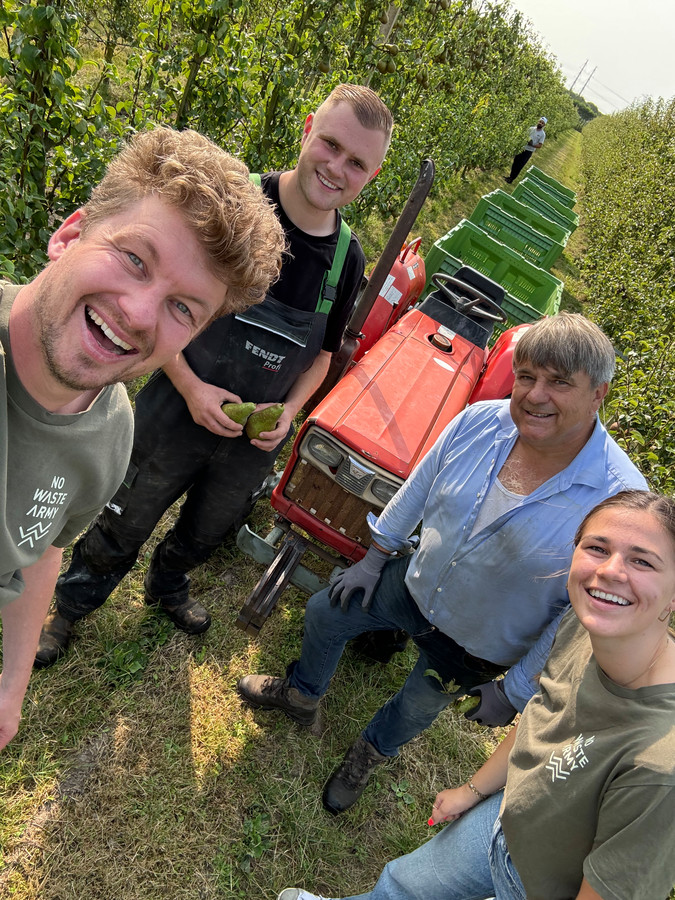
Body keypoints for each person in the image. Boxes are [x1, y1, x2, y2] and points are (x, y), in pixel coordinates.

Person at [35, 85, 394, 667]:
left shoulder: (346, 259)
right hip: (179, 406)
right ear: (308, 129)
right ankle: (70, 607)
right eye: (331, 144)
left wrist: (289, 412)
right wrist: (191, 386)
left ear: (371, 176)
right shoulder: (234, 208)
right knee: (127, 510)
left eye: (357, 162)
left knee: (209, 526)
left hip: (252, 438)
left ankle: (168, 585)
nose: (336, 167)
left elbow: (324, 355)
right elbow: (164, 307)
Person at [237, 312, 648, 815]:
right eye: (526, 376)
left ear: (598, 394)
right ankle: (302, 696)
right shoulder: (480, 422)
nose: (535, 395)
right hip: (415, 583)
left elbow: (579, 615)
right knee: (325, 612)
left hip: (479, 644)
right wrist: (375, 557)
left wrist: (516, 688)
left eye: (559, 382)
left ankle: (367, 755)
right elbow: (420, 487)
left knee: (416, 706)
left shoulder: (618, 500)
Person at [0, 126, 285, 750]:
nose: (137, 313)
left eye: (183, 308)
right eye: (134, 259)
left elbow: (42, 552)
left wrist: (11, 689)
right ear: (69, 234)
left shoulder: (110, 434)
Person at [276, 490, 675, 900]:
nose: (610, 571)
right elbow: (542, 717)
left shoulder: (662, 768)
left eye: (642, 561)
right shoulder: (584, 629)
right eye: (597, 548)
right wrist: (473, 791)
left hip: (536, 888)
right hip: (502, 821)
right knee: (398, 886)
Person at [504, 115, 546, 184]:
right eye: (540, 122)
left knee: (520, 165)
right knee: (515, 162)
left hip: (529, 151)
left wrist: (532, 145)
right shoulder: (531, 129)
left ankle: (512, 178)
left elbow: (540, 145)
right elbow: (524, 136)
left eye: (542, 123)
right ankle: (510, 176)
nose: (540, 123)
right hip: (522, 148)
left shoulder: (542, 134)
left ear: (544, 125)